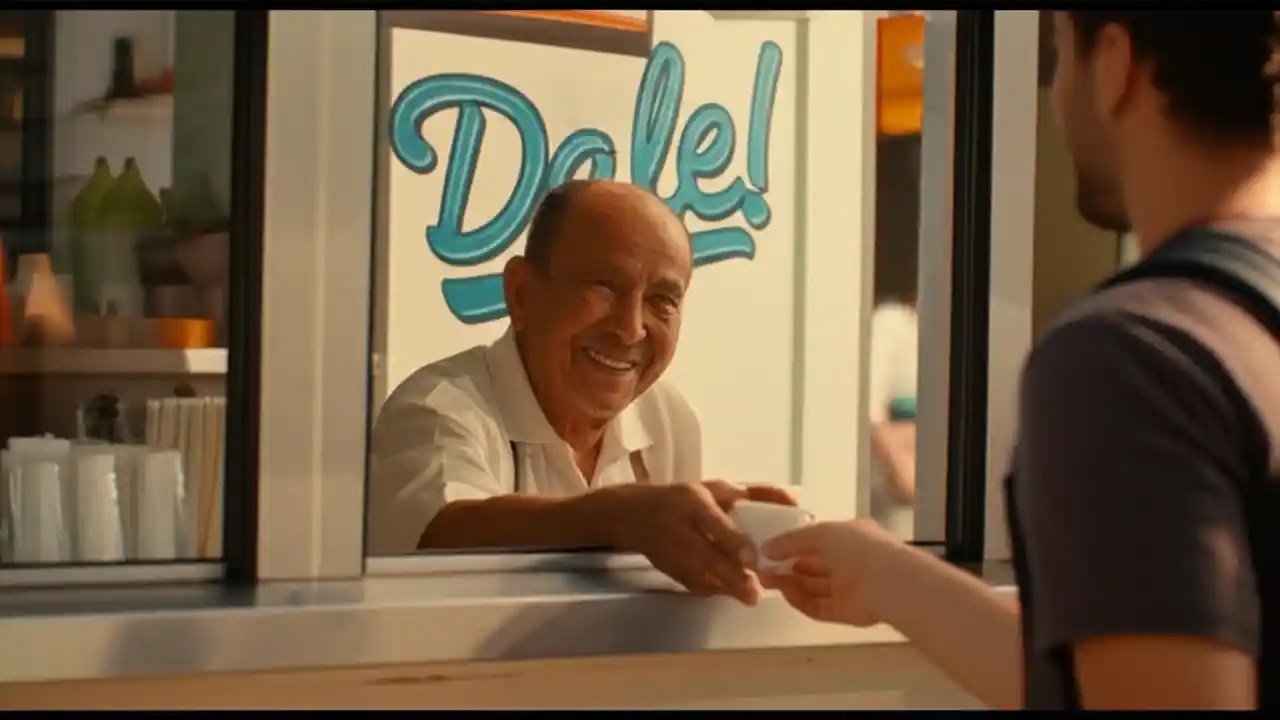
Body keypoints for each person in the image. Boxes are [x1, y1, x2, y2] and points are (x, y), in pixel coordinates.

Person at [760, 11, 1279, 710]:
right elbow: (1126, 665)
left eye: (1058, 56)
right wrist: (886, 576)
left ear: (1117, 61)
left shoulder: (1135, 358)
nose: (1056, 96)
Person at [369, 179, 793, 605]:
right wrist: (617, 518)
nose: (630, 329)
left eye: (661, 300)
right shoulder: (437, 409)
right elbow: (436, 534)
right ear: (522, 294)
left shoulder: (668, 417)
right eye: (603, 288)